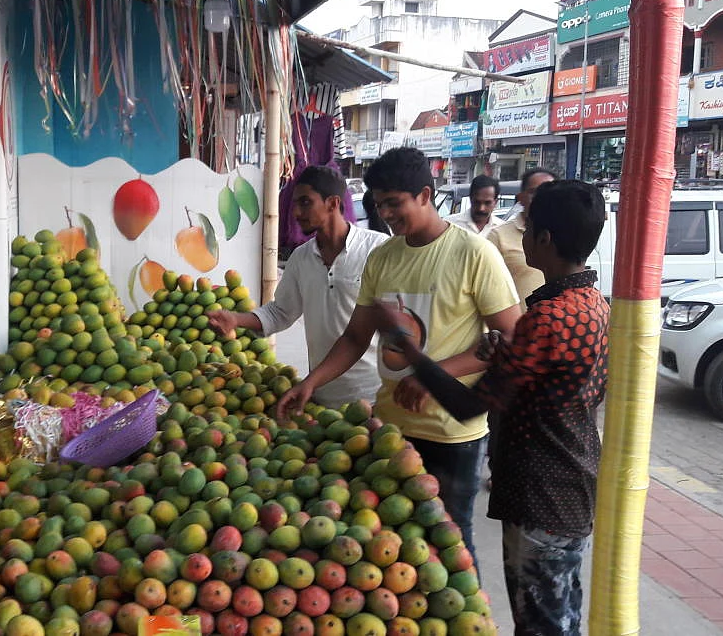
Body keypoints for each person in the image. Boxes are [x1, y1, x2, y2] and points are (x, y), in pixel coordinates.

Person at [373, 179, 610, 636]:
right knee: (562, 611)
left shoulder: (547, 319)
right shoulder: (592, 304)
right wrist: (505, 352)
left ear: (544, 239)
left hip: (541, 491)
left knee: (540, 622)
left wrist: (410, 349)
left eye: (528, 228)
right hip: (573, 478)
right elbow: (556, 378)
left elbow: (467, 405)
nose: (522, 237)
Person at [277, 147, 521, 562]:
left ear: (425, 195)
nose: (386, 214)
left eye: (394, 203)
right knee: (395, 549)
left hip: (451, 434)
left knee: (452, 547)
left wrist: (432, 376)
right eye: (379, 205)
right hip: (392, 426)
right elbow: (356, 337)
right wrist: (310, 383)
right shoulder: (383, 258)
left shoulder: (473, 253)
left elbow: (510, 337)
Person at [208, 166, 387, 408]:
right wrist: (236, 319)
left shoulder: (376, 250)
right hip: (322, 396)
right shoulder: (301, 258)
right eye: (295, 204)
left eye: (305, 202)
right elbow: (281, 312)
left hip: (375, 396)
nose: (296, 212)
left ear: (333, 204)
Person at [487, 168, 557, 307]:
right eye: (534, 192)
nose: (541, 198)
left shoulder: (565, 235)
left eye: (549, 192)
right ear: (521, 198)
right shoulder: (498, 237)